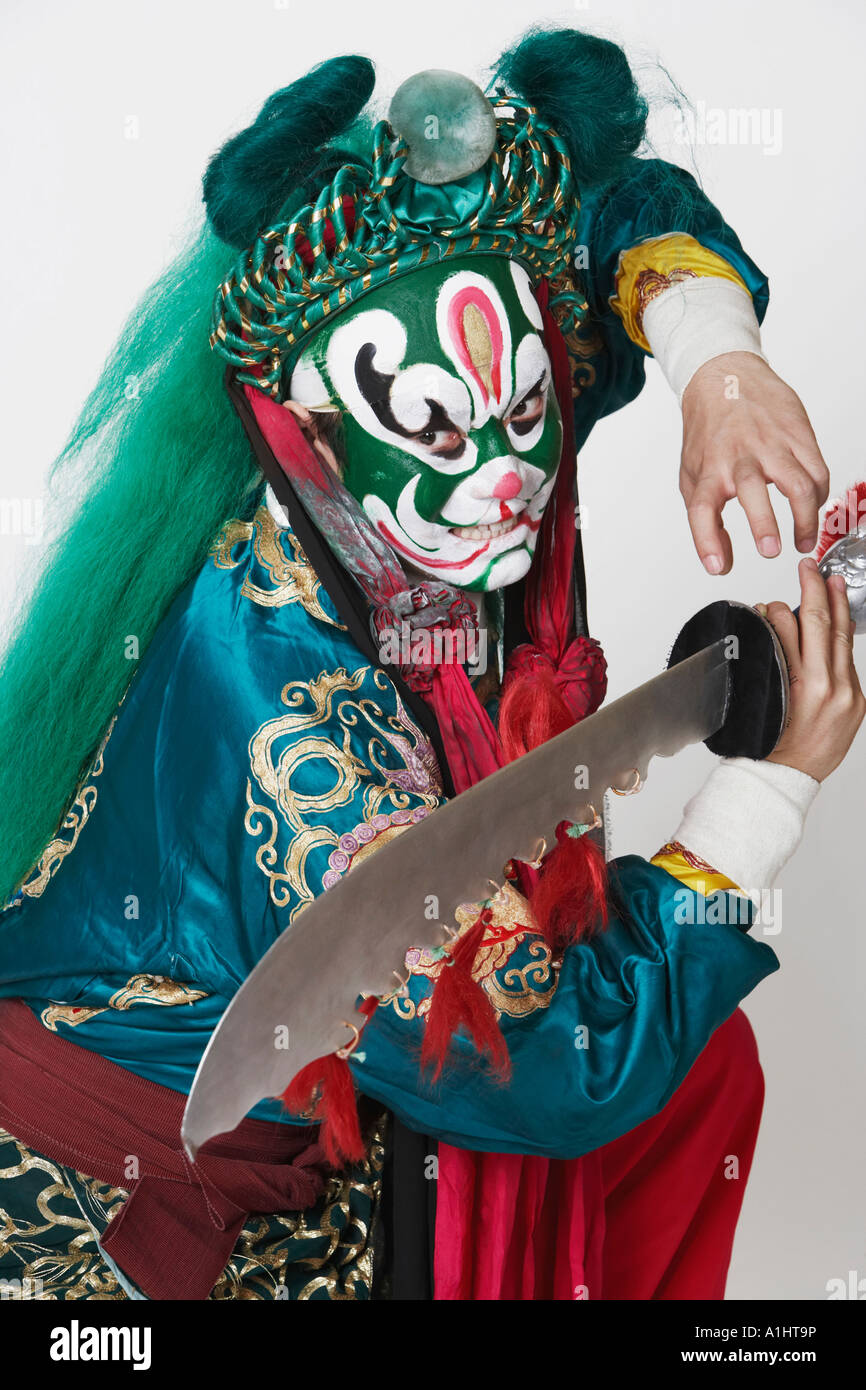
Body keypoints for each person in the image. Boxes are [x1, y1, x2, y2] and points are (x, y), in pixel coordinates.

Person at [0, 29, 861, 1302]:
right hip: (109, 1224)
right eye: (443, 434)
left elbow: (616, 212)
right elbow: (555, 1060)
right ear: (311, 426)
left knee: (704, 1072)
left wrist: (712, 362)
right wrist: (770, 789)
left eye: (527, 416)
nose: (510, 482)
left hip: (321, 1124)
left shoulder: (423, 463)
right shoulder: (290, 729)